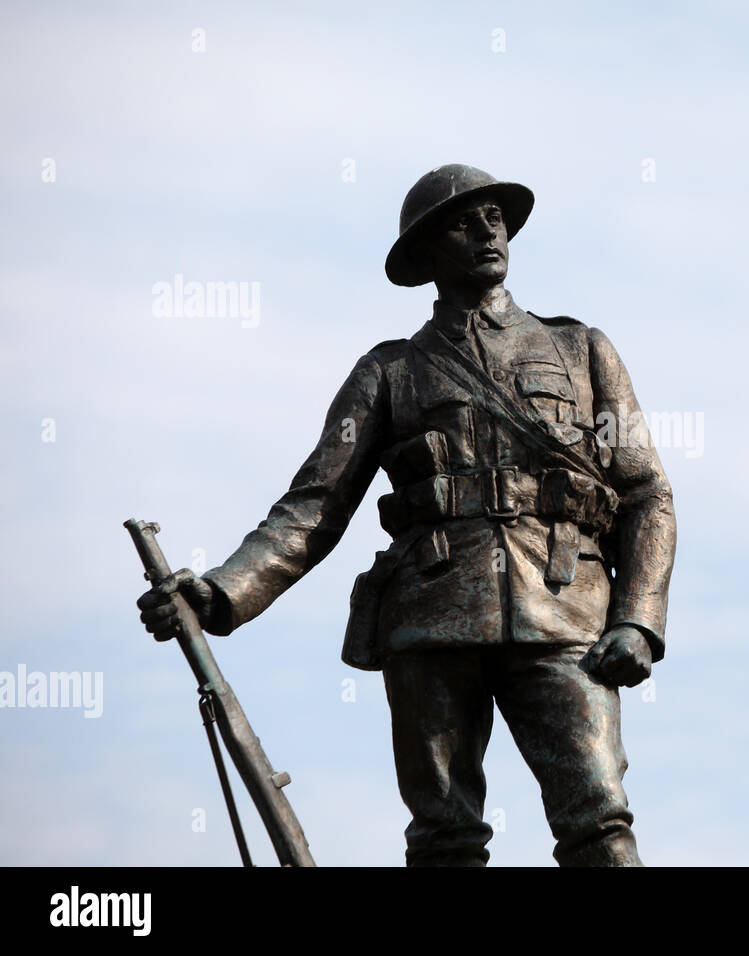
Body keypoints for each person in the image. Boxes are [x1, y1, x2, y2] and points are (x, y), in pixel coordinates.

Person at [137, 164, 677, 866]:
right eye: (464, 221)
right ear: (425, 256)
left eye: (495, 218)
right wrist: (220, 590)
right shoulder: (388, 373)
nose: (488, 231)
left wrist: (638, 620)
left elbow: (646, 495)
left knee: (599, 818)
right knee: (444, 836)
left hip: (564, 611)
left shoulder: (582, 349)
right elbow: (313, 509)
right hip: (432, 617)